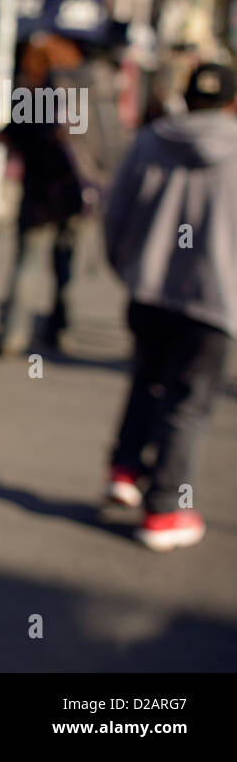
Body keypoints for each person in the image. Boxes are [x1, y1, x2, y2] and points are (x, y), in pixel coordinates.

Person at [101, 62, 237, 551]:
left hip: (149, 289)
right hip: (215, 300)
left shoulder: (150, 140)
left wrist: (129, 268)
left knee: (146, 378)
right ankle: (164, 509)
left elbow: (115, 212)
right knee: (188, 405)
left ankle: (125, 469)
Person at [0, 34, 87, 355]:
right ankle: (60, 329)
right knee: (65, 266)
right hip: (75, 195)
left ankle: (14, 336)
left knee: (27, 266)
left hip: (37, 195)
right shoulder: (79, 95)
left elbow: (7, 139)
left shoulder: (27, 96)